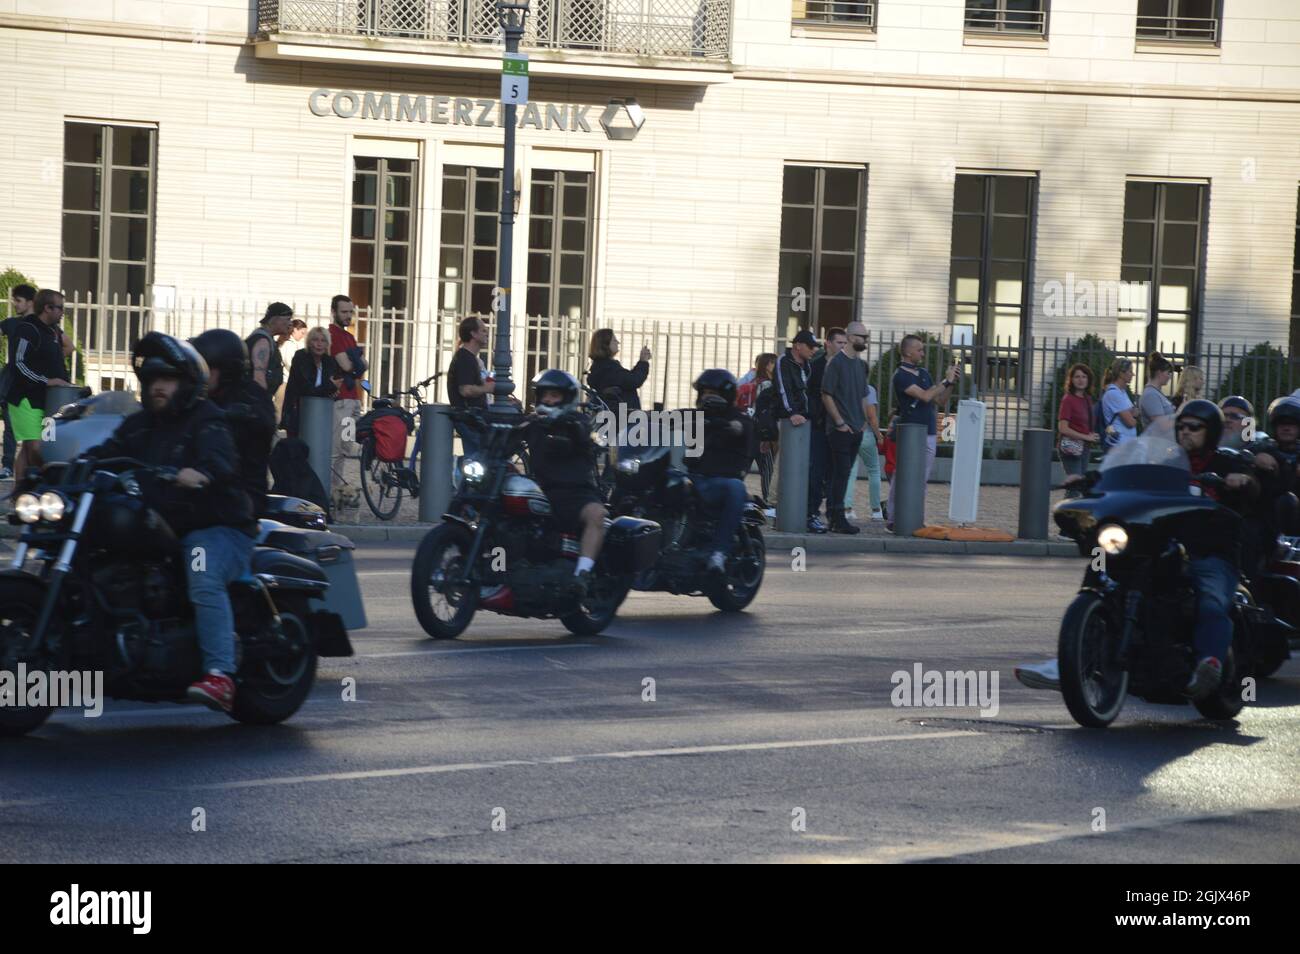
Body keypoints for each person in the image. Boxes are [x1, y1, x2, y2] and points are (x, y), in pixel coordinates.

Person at [1023, 400, 1257, 699]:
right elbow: (1132, 477)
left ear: (1210, 431)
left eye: (1193, 427)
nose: (1185, 432)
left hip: (1211, 552)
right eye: (1181, 426)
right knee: (1105, 566)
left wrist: (1241, 481)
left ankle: (1209, 661)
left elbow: (1251, 487)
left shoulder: (1227, 463)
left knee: (1210, 599)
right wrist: (1092, 479)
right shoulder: (1168, 462)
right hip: (1166, 545)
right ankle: (1071, 659)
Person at [86, 333, 256, 713]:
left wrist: (201, 473)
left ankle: (220, 675)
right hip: (166, 523)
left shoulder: (207, 418)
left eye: (167, 379)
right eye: (151, 380)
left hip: (218, 526)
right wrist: (70, 466)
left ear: (186, 383)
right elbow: (106, 453)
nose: (157, 387)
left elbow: (222, 461)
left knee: (201, 566)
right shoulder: (139, 424)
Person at [526, 369, 605, 597]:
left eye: (555, 395)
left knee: (597, 515)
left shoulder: (577, 422)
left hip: (575, 494)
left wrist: (568, 426)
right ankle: (495, 567)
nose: (548, 400)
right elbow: (507, 428)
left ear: (567, 398)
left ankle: (582, 574)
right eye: (545, 395)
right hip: (541, 491)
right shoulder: (533, 423)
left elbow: (583, 433)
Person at [191, 328, 278, 517]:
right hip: (195, 497)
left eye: (208, 368)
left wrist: (234, 416)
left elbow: (262, 424)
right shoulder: (198, 397)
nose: (201, 374)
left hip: (239, 505)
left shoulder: (252, 398)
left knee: (203, 545)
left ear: (227, 369)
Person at [887, 334, 958, 533]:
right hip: (911, 433)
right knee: (903, 475)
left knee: (922, 478)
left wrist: (950, 383)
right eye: (919, 349)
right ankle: (893, 518)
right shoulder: (901, 375)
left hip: (928, 431)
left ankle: (915, 516)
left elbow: (940, 400)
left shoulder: (924, 373)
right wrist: (945, 380)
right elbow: (926, 396)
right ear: (908, 352)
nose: (922, 353)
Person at [687, 369, 754, 574]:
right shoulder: (695, 417)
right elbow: (669, 418)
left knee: (735, 487)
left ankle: (719, 553)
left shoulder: (741, 418)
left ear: (725, 395)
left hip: (717, 483)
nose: (706, 397)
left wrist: (726, 425)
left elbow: (738, 428)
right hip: (691, 479)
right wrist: (641, 419)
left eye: (711, 392)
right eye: (704, 392)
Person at [7, 289, 71, 484]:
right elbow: (19, 363)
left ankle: (21, 494)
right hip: (26, 400)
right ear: (47, 308)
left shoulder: (53, 332)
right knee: (35, 448)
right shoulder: (28, 329)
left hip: (49, 402)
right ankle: (32, 490)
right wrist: (47, 381)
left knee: (38, 447)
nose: (62, 313)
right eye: (60, 308)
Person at [820, 322, 871, 534]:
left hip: (856, 428)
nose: (865, 340)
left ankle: (834, 515)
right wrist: (840, 422)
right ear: (850, 337)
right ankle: (836, 516)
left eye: (866, 337)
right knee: (840, 473)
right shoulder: (836, 363)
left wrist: (863, 421)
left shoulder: (861, 366)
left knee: (843, 472)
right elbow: (826, 394)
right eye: (862, 336)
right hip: (840, 429)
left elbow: (861, 395)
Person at [774, 329, 819, 531]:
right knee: (786, 464)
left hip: (804, 421)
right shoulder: (784, 361)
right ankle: (779, 506)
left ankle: (799, 509)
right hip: (789, 420)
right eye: (810, 346)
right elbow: (783, 389)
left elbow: (806, 391)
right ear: (798, 345)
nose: (813, 350)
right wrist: (791, 412)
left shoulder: (807, 365)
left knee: (804, 466)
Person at [841, 340, 884, 521]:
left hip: (849, 432)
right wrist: (879, 435)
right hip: (866, 434)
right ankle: (876, 510)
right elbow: (872, 417)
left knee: (850, 472)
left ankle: (848, 509)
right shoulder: (869, 390)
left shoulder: (845, 388)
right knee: (874, 470)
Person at [806, 327, 844, 532]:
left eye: (845, 343)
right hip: (820, 426)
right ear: (828, 343)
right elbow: (810, 394)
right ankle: (811, 512)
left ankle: (833, 515)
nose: (843, 346)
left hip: (839, 428)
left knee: (835, 474)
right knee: (816, 472)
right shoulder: (816, 366)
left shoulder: (846, 367)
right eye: (840, 342)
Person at [1, 282, 37, 480]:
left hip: (32, 385)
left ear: (30, 302)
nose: (15, 303)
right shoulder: (12, 324)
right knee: (10, 427)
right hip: (12, 382)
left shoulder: (41, 326)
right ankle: (7, 466)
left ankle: (33, 469)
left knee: (34, 433)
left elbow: (68, 346)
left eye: (18, 300)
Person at [280, 326, 342, 438]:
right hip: (299, 411)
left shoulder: (329, 362)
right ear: (309, 342)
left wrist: (332, 390)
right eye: (315, 340)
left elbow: (334, 388)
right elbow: (306, 389)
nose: (319, 344)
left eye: (323, 340)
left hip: (320, 413)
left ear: (327, 344)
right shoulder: (301, 357)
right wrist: (330, 387)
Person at [448, 315, 494, 460]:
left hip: (472, 418)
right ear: (473, 334)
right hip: (469, 418)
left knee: (476, 458)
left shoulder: (470, 358)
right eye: (483, 330)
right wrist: (487, 388)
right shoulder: (465, 358)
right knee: (479, 458)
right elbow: (465, 390)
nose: (487, 333)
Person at [740, 353, 778, 513]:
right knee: (767, 468)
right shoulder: (768, 384)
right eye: (774, 363)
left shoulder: (752, 381)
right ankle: (768, 501)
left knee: (742, 467)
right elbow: (765, 411)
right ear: (768, 365)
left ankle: (733, 496)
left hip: (748, 429)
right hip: (762, 432)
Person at [1057, 363, 1101, 498]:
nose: (1081, 380)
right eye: (1077, 377)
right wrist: (1085, 436)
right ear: (1071, 380)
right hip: (1071, 447)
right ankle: (1065, 515)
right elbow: (1063, 428)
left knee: (1078, 484)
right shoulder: (1068, 400)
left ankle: (1071, 515)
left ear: (1088, 380)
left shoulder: (1087, 399)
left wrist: (1091, 435)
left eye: (1084, 376)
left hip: (1084, 447)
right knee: (1075, 486)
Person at [586, 328, 650, 417]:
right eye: (614, 340)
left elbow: (626, 378)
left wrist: (642, 362)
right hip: (621, 420)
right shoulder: (607, 368)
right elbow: (633, 380)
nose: (618, 342)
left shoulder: (602, 367)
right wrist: (643, 362)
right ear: (605, 344)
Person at [246, 302, 292, 395]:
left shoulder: (266, 339)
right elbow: (258, 378)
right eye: (288, 319)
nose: (290, 323)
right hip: (255, 403)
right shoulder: (262, 342)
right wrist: (264, 405)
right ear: (275, 319)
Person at [1100, 358, 1138, 449]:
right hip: (1118, 446)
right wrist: (1132, 415)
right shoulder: (1114, 394)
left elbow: (1134, 412)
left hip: (1126, 444)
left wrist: (1131, 413)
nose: (1133, 374)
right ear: (1121, 373)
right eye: (1130, 371)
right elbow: (1131, 422)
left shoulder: (1122, 392)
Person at [1138, 351, 1178, 433]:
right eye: (1168, 373)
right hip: (1154, 443)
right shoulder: (1150, 395)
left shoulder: (1156, 393)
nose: (1170, 377)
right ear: (1159, 373)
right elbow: (1162, 425)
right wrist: (1180, 412)